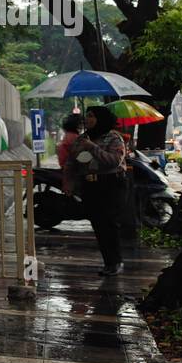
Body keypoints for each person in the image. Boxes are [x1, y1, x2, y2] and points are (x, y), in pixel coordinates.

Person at [67, 106, 128, 276]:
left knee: (109, 224)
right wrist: (69, 182)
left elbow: (114, 161)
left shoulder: (114, 138)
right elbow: (72, 161)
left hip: (110, 185)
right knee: (98, 225)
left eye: (92, 116)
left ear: (101, 118)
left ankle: (115, 262)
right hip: (90, 186)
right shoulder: (82, 139)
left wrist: (92, 147)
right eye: (87, 116)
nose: (88, 119)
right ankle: (108, 262)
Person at [57, 113, 83, 194]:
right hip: (72, 172)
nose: (82, 126)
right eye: (81, 123)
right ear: (76, 124)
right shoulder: (75, 138)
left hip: (67, 169)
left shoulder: (69, 135)